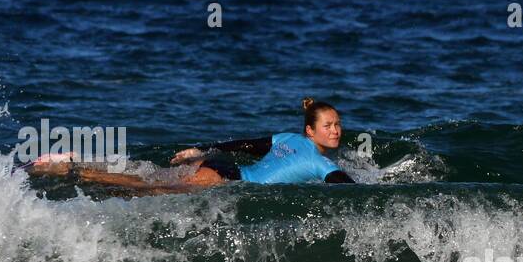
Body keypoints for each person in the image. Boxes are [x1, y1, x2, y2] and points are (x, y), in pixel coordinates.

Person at [24, 98, 355, 190]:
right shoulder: (322, 164)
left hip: (222, 167)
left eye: (338, 125)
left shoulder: (286, 138)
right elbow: (350, 190)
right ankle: (72, 170)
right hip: (230, 178)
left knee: (152, 177)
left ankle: (77, 162)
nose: (336, 131)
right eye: (328, 125)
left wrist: (203, 150)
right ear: (310, 132)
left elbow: (243, 144)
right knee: (149, 189)